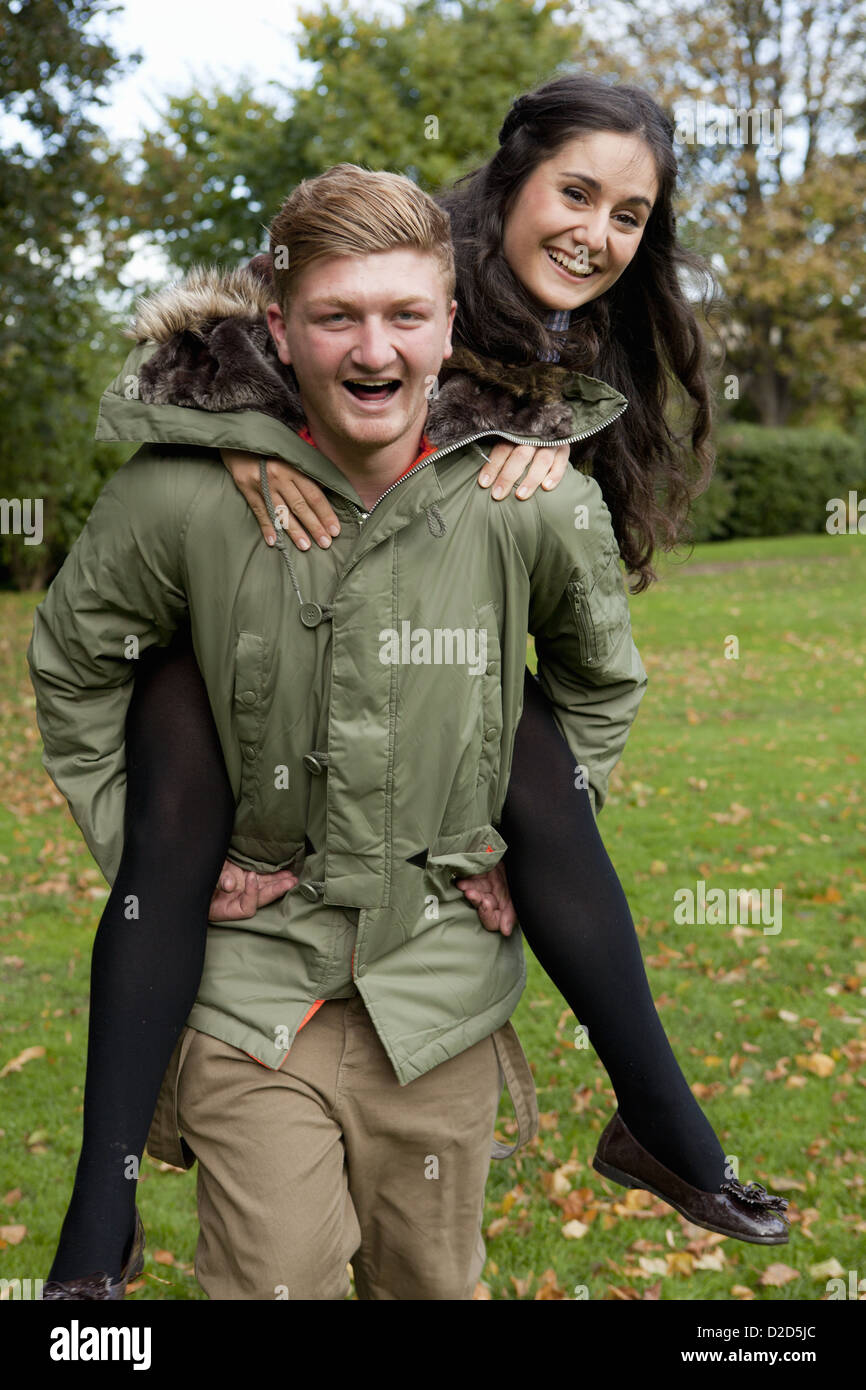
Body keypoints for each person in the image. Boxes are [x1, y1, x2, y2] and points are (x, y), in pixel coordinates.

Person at [33, 74, 789, 1299]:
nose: (597, 231)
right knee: (176, 705)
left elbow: (594, 655)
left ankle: (654, 1113)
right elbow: (227, 348)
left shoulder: (571, 360)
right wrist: (233, 437)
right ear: (504, 186)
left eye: (630, 214)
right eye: (575, 191)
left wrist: (529, 437)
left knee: (535, 753)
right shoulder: (381, 266)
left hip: (435, 718)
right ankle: (100, 1194)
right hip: (254, 641)